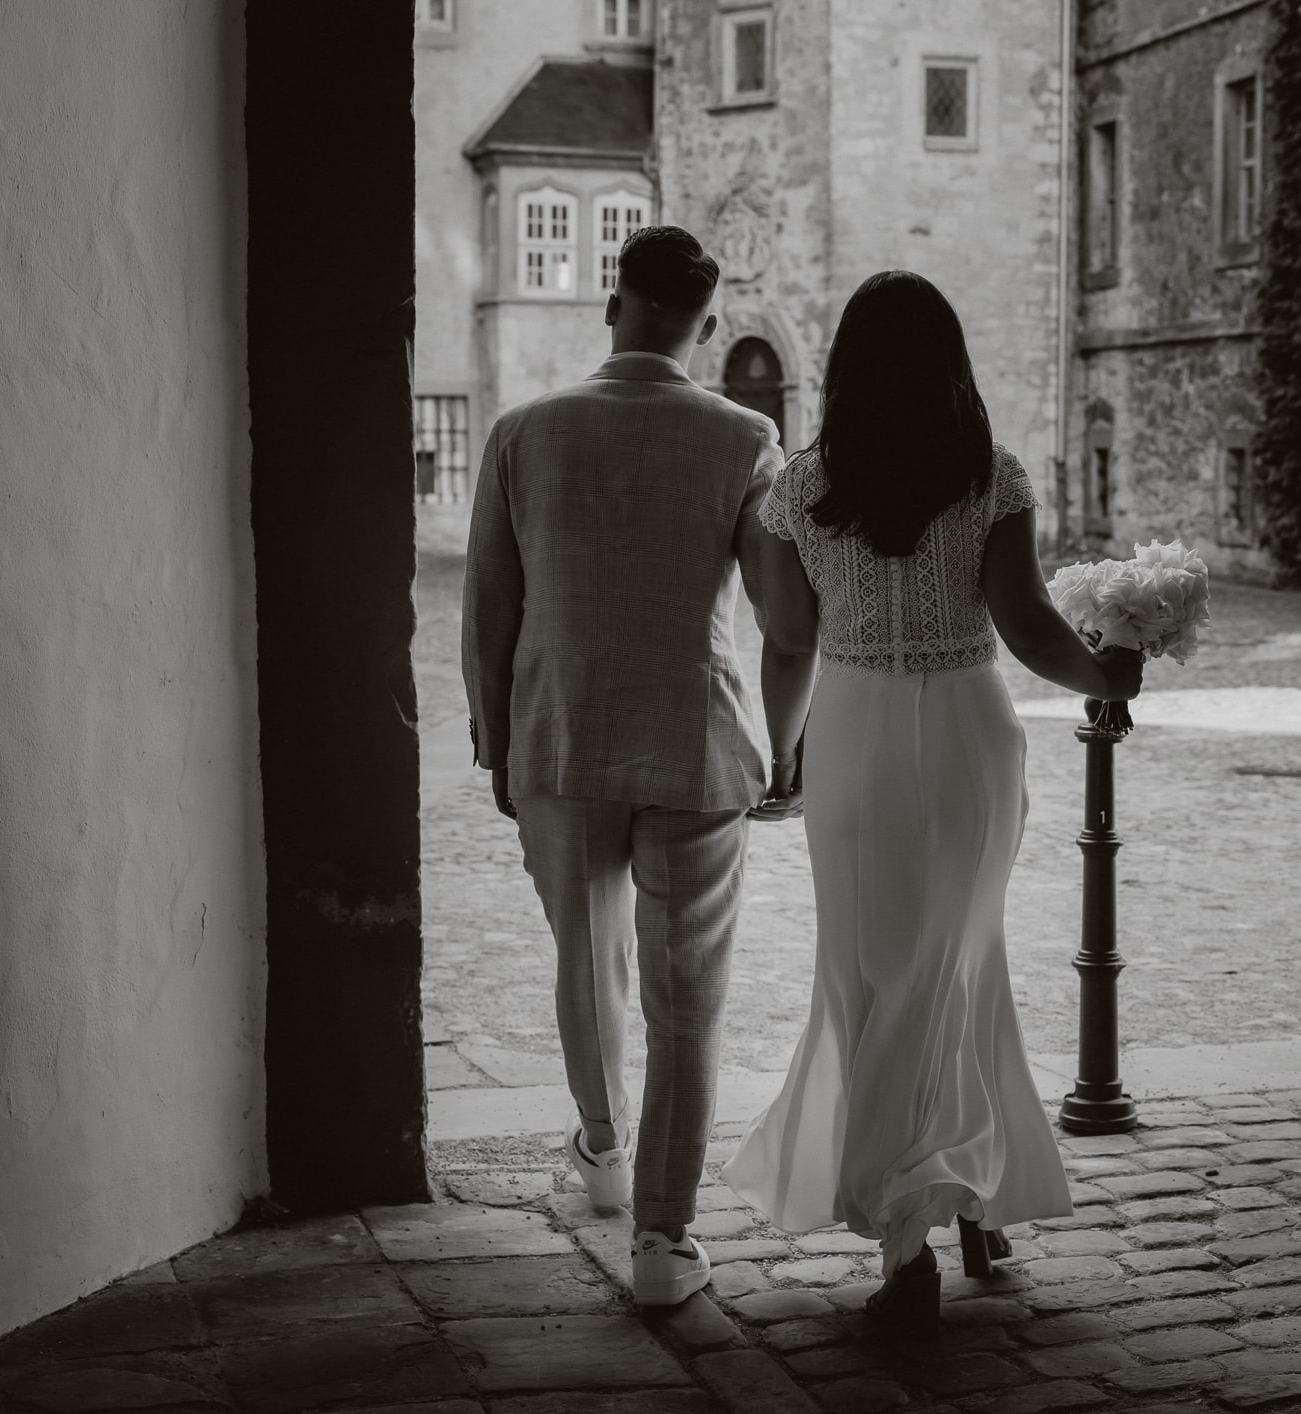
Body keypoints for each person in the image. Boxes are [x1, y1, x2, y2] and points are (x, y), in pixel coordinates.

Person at [722, 270, 1145, 1330]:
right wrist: (1107, 674)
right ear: (948, 361)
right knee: (953, 967)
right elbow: (1028, 627)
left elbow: (785, 640)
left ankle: (925, 1226)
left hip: (855, 738)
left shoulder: (802, 489)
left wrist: (782, 757)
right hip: (966, 736)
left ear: (848, 370)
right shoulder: (987, 478)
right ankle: (952, 1208)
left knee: (876, 978)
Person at [462, 225, 802, 1308]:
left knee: (584, 955)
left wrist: (492, 738)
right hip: (693, 740)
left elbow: (489, 610)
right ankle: (663, 1240)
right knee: (685, 994)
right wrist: (785, 744)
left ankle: (603, 1151)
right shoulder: (745, 436)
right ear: (705, 325)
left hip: (558, 734)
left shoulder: (524, 431)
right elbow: (781, 616)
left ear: (614, 301)